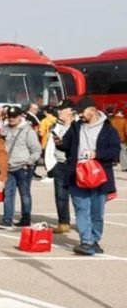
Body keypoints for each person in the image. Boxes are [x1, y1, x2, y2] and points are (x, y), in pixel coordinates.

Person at [61, 97, 121, 256]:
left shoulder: (108, 129)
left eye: (82, 111)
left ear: (93, 110)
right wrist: (59, 141)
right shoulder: (75, 126)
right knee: (81, 208)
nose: (79, 115)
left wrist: (97, 154)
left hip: (98, 175)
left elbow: (115, 152)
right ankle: (86, 241)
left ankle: (94, 239)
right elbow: (65, 146)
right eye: (77, 112)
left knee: (97, 211)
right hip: (77, 174)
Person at [0, 105, 42, 228]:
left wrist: (29, 162)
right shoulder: (5, 129)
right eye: (9, 117)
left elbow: (36, 150)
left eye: (14, 117)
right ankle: (7, 219)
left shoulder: (28, 131)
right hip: (8, 167)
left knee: (25, 194)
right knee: (8, 193)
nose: (11, 119)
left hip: (23, 167)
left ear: (20, 117)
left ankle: (26, 218)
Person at [47, 100, 77, 233]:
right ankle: (63, 223)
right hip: (60, 164)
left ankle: (83, 222)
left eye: (62, 110)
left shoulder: (79, 126)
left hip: (75, 165)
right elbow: (50, 146)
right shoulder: (55, 126)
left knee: (78, 196)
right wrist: (50, 165)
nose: (58, 112)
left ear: (70, 111)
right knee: (60, 196)